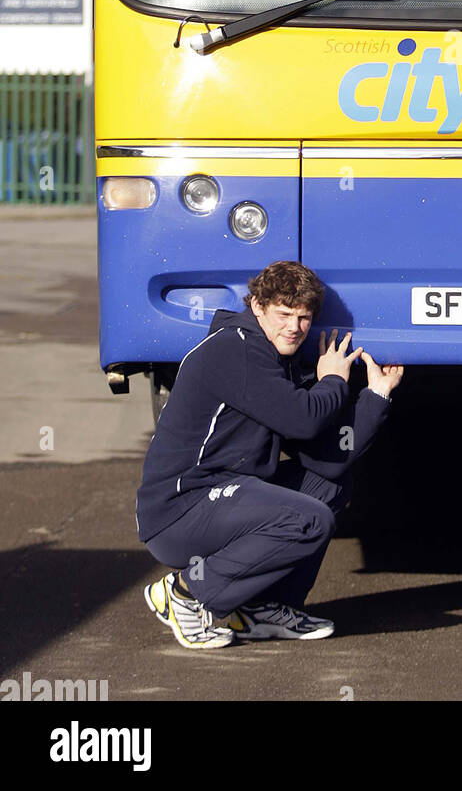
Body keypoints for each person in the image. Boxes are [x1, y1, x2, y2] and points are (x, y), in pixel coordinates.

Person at [137, 260, 403, 650]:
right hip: (179, 511)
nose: (294, 328)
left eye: (304, 317)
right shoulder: (234, 350)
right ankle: (185, 593)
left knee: (328, 486)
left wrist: (376, 396)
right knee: (308, 519)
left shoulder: (277, 360)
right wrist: (332, 380)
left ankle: (263, 610)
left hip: (227, 495)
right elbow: (303, 421)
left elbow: (330, 458)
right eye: (283, 314)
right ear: (257, 307)